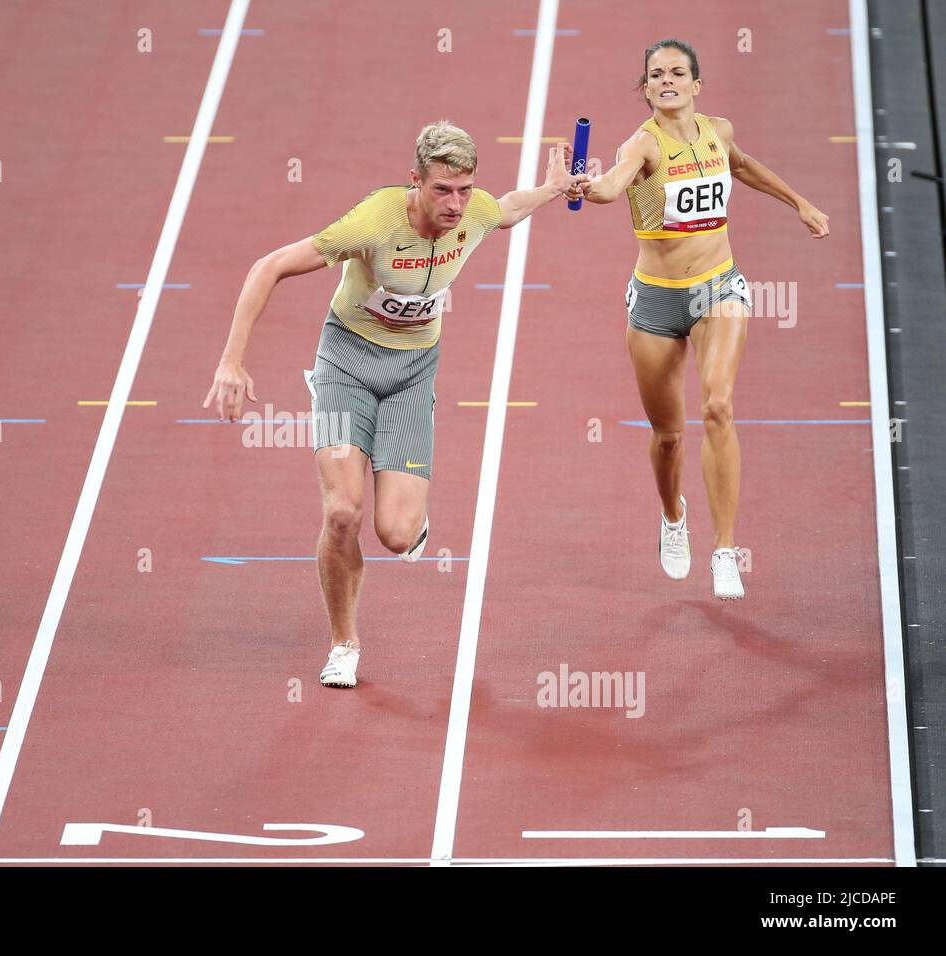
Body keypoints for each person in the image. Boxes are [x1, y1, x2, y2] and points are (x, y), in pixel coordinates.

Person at [203, 120, 585, 686]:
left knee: (397, 535)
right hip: (346, 364)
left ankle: (409, 514)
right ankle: (344, 643)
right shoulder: (374, 222)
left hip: (412, 374)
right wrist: (232, 360)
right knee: (341, 514)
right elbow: (271, 266)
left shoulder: (475, 211)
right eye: (442, 190)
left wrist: (553, 187)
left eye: (464, 188)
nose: (456, 204)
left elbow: (506, 208)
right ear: (415, 181)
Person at [573, 39, 829, 600]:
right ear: (645, 89)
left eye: (677, 72)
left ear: (696, 85)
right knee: (668, 436)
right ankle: (672, 516)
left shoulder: (720, 130)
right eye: (655, 74)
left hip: (719, 287)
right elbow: (614, 184)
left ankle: (725, 550)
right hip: (657, 301)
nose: (666, 80)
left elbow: (743, 167)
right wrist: (587, 187)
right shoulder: (641, 146)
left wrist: (800, 203)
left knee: (718, 405)